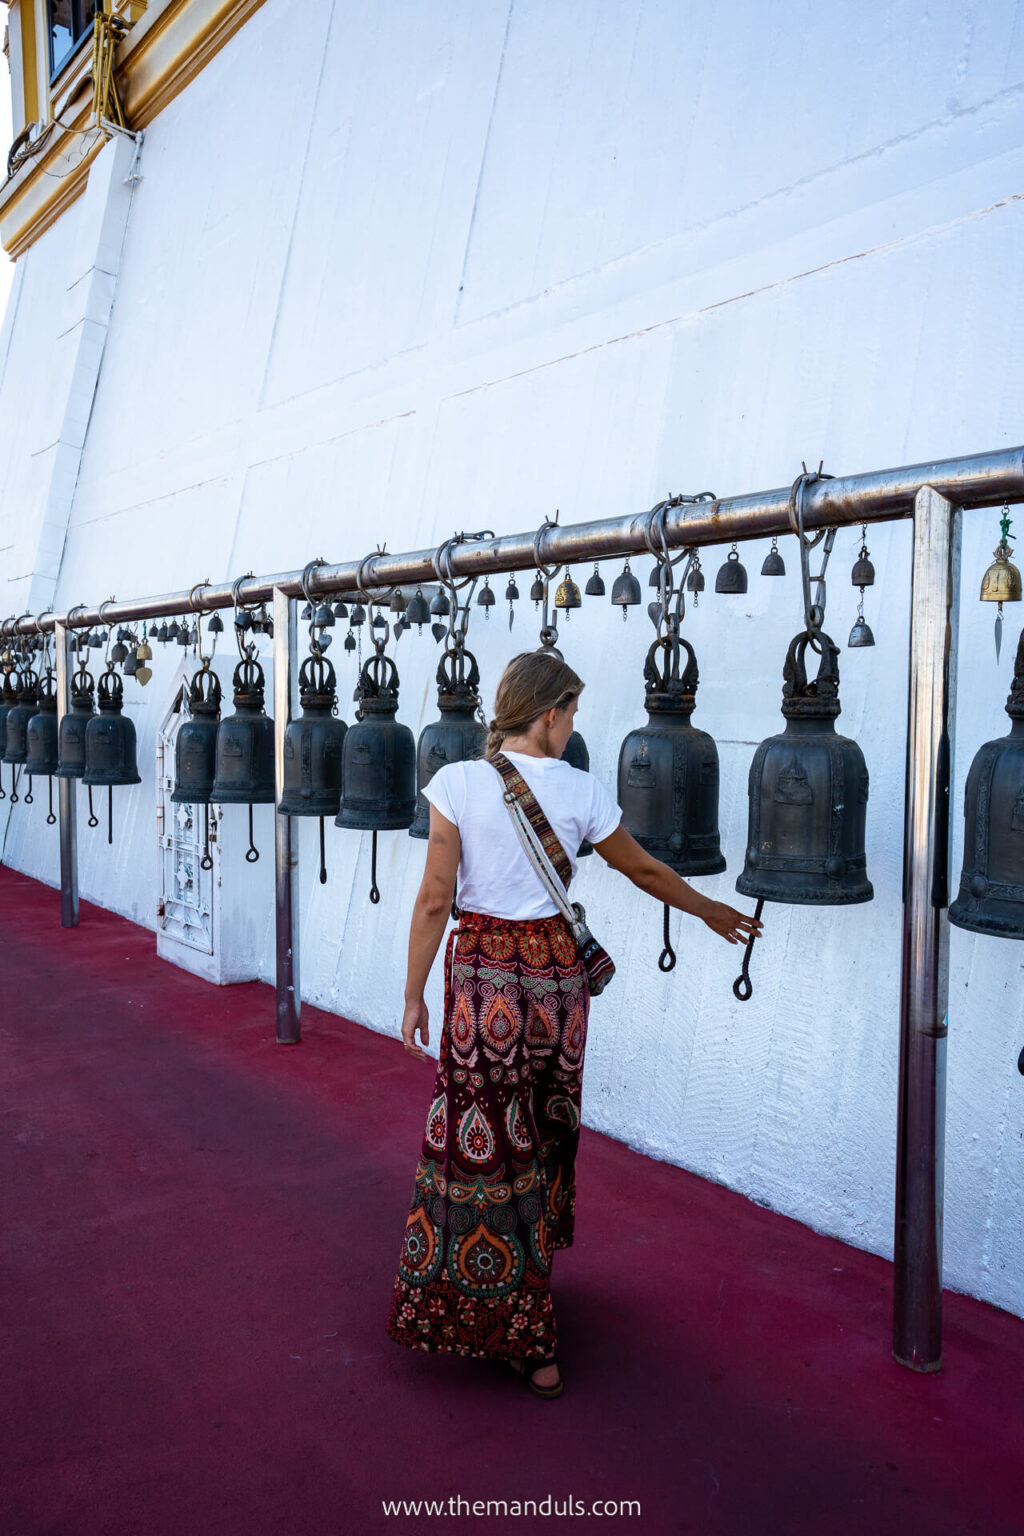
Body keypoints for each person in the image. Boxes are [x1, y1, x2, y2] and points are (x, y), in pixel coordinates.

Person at [384, 650, 761, 1398]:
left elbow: (435, 897)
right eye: (572, 713)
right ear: (549, 713)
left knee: (485, 1138)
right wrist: (710, 911)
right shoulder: (583, 790)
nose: (573, 725)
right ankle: (533, 1293)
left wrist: (412, 994)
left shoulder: (458, 782)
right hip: (557, 982)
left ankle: (510, 1320)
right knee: (544, 1128)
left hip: (485, 978)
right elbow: (644, 870)